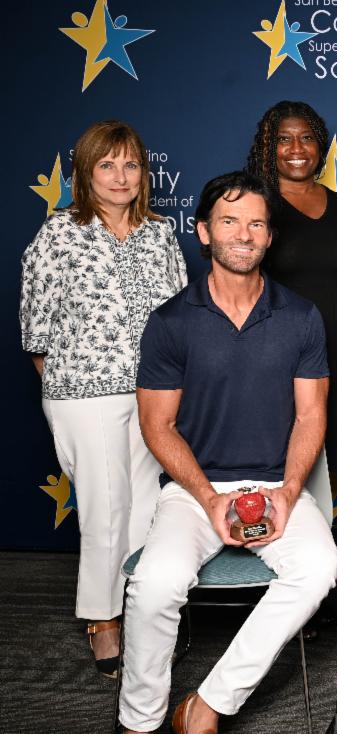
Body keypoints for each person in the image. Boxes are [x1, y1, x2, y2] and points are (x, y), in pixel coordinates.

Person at [120, 172, 337, 734]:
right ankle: (140, 721)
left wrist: (289, 494)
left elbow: (311, 415)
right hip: (195, 492)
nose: (244, 234)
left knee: (318, 570)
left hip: (274, 486)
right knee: (155, 583)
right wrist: (209, 497)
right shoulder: (169, 321)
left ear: (270, 238)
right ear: (203, 232)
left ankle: (207, 705)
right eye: (229, 221)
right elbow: (158, 426)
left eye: (257, 223)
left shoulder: (301, 316)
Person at [19, 120, 187, 677]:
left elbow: (180, 313)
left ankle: (138, 609)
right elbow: (36, 330)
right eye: (107, 165)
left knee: (145, 506)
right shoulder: (59, 233)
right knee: (105, 508)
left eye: (131, 164)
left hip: (154, 393)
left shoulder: (160, 233)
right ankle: (102, 618)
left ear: (144, 172)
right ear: (86, 174)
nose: (121, 176)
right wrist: (68, 386)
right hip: (82, 394)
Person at [246, 100, 337, 495]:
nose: (296, 149)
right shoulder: (257, 206)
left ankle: (325, 536)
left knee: (335, 444)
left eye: (307, 138)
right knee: (286, 441)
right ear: (268, 147)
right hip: (278, 345)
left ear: (321, 146)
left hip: (335, 341)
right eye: (284, 139)